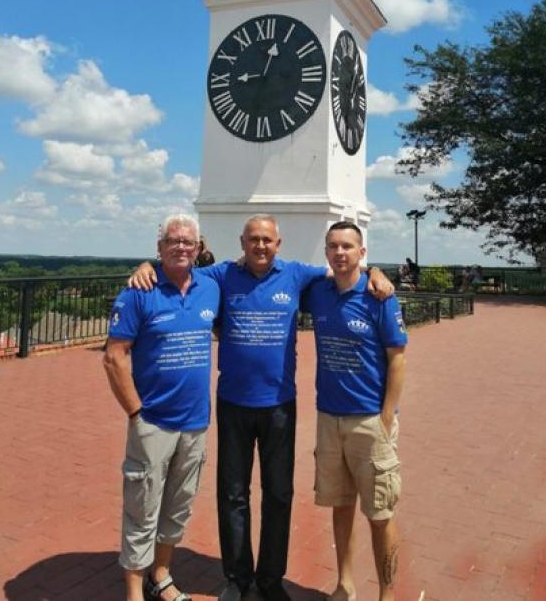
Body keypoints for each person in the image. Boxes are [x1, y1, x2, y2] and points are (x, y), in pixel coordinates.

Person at [130, 215, 394, 601]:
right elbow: (180, 265)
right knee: (232, 494)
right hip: (234, 402)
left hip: (280, 405)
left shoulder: (298, 275)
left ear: (279, 243)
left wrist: (375, 271)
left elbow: (343, 267)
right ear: (242, 241)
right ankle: (237, 578)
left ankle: (270, 579)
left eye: (267, 240)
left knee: (278, 494)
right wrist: (147, 266)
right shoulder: (221, 275)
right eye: (253, 239)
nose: (260, 246)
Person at [103, 214, 221, 601]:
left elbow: (255, 266)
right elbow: (114, 356)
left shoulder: (211, 285)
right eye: (173, 241)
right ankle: (134, 589)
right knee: (142, 506)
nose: (181, 247)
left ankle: (162, 573)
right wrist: (136, 413)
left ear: (199, 248)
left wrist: (370, 271)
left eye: (188, 242)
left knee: (178, 505)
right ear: (159, 248)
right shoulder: (140, 291)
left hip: (196, 422)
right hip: (152, 420)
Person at [302, 221, 407, 601]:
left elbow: (397, 360)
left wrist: (386, 418)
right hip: (329, 417)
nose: (340, 252)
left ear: (362, 252)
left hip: (368, 419)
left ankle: (387, 594)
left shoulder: (380, 297)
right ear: (327, 252)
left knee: (380, 514)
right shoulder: (318, 292)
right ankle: (345, 585)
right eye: (333, 246)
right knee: (341, 506)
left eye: (348, 246)